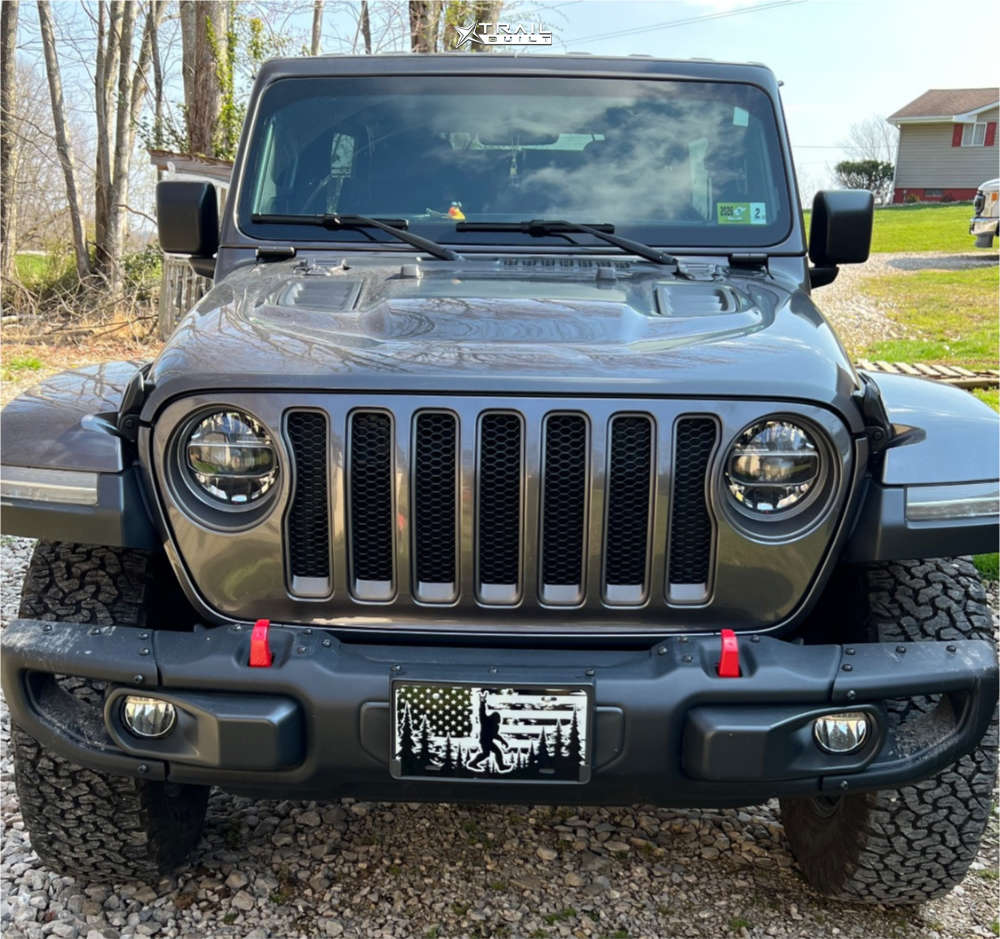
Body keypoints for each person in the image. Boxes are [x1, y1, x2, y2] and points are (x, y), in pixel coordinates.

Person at [468, 689, 509, 771]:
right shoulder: (486, 721)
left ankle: (501, 766)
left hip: (489, 741)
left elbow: (495, 735)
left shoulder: (495, 726)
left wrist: (503, 741)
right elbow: (481, 712)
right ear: (493, 718)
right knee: (486, 754)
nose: (499, 721)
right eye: (497, 718)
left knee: (497, 752)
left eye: (499, 719)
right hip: (484, 741)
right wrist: (482, 702)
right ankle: (472, 763)